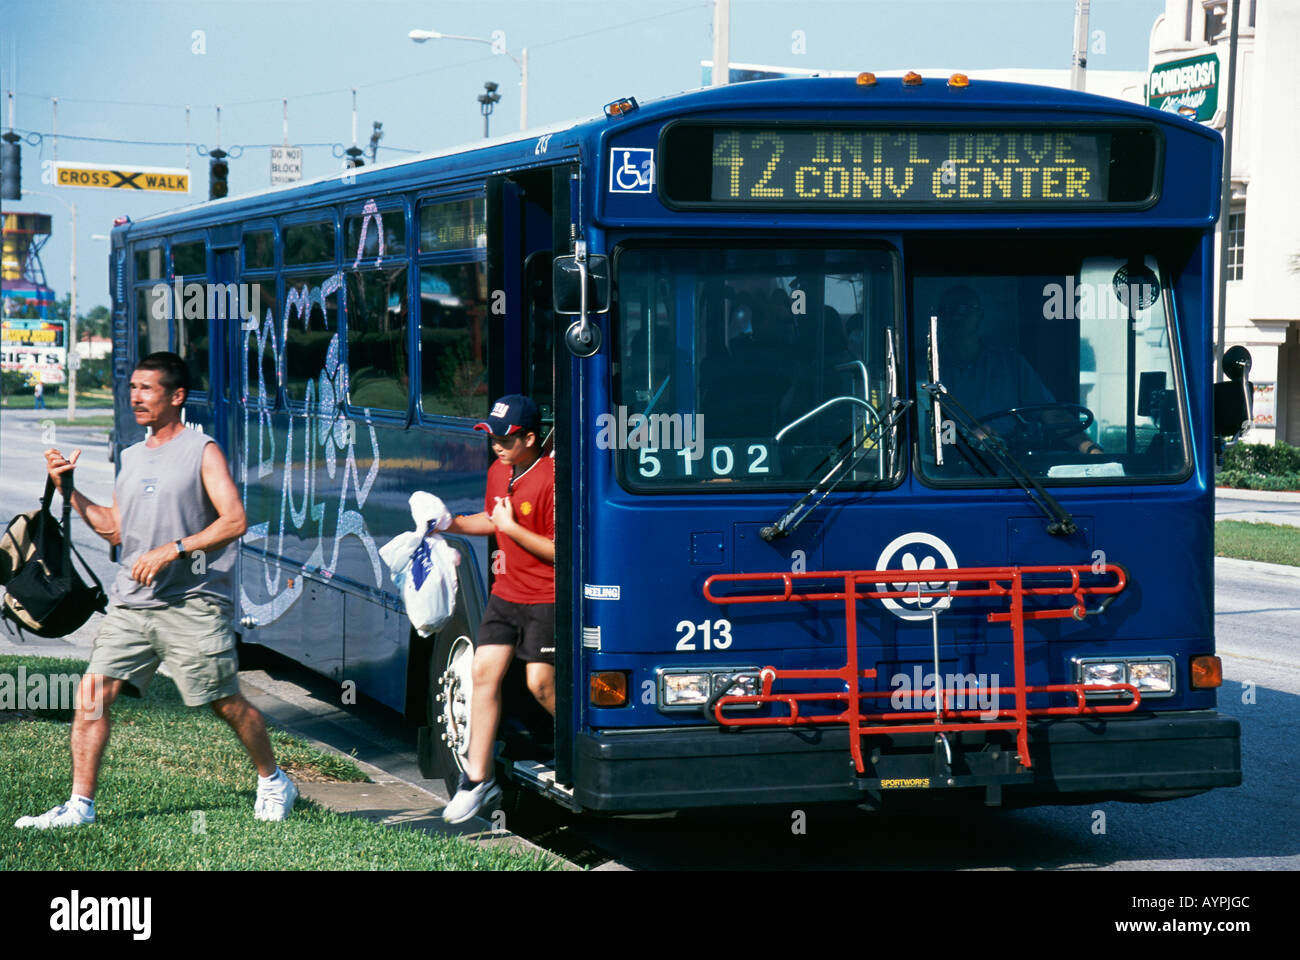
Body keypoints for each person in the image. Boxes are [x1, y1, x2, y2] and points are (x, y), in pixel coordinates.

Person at [15, 351, 297, 829]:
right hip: (132, 603)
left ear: (176, 396)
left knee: (223, 700)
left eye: (147, 389)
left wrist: (174, 549)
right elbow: (113, 530)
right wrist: (69, 491)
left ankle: (273, 779)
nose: (136, 397)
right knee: (91, 695)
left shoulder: (202, 450)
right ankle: (80, 806)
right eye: (132, 389)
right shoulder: (130, 455)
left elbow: (235, 521)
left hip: (192, 601)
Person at [441, 394, 555, 824]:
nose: (497, 446)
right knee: (482, 674)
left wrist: (510, 527)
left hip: (544, 598)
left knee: (541, 684)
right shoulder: (498, 470)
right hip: (505, 595)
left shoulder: (551, 478)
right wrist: (449, 523)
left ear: (530, 437)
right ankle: (477, 781)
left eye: (506, 439)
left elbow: (560, 552)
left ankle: (581, 744)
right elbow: (491, 519)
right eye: (492, 438)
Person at [933, 285, 1103, 456]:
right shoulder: (928, 368)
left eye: (964, 308)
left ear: (980, 315)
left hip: (1009, 464)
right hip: (945, 470)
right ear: (939, 317)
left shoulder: (1011, 364)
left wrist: (1090, 449)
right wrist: (966, 434)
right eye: (948, 309)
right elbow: (923, 424)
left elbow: (1051, 413)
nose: (956, 315)